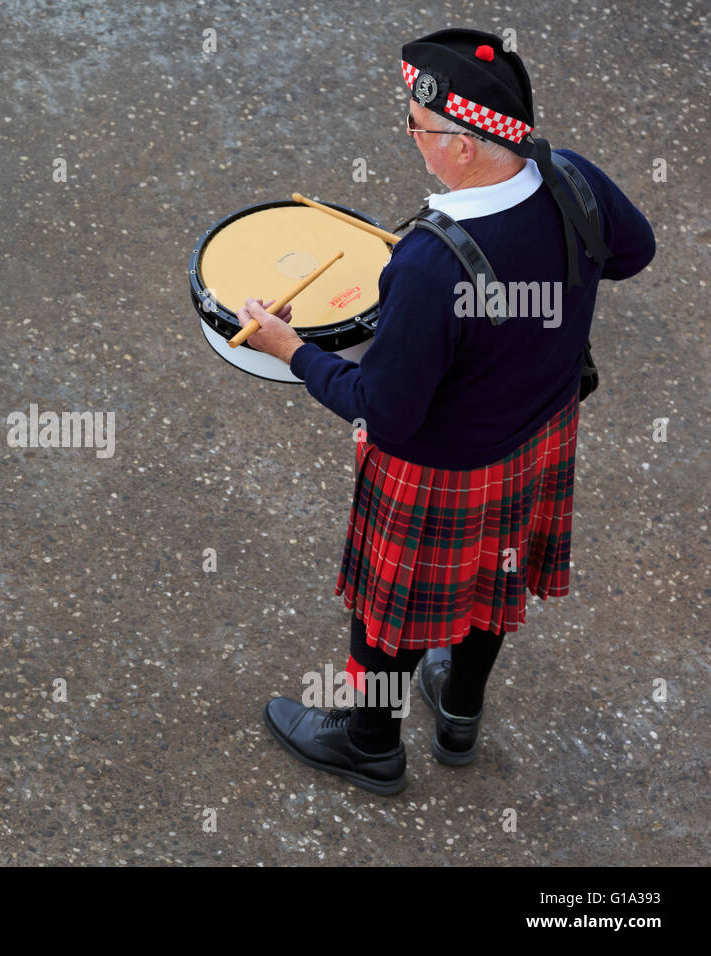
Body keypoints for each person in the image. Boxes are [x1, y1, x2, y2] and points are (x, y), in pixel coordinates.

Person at [241, 28, 654, 794]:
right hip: (540, 430)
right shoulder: (575, 178)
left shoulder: (432, 261)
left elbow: (385, 412)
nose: (410, 137)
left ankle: (370, 739)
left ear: (464, 146)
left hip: (442, 467)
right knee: (495, 578)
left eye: (419, 126)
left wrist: (290, 349)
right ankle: (459, 711)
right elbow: (632, 252)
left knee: (386, 609)